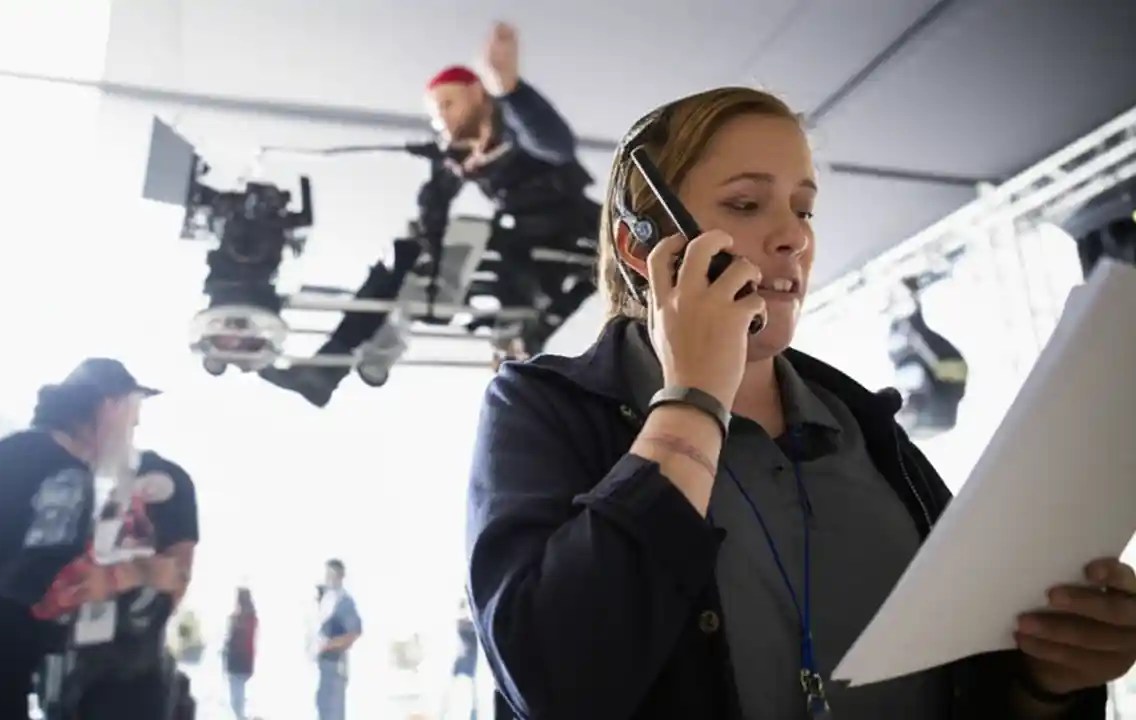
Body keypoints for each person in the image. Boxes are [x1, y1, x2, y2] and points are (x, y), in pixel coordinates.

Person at [466, 87, 1135, 719]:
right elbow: (553, 683)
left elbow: (975, 686)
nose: (795, 237)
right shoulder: (542, 406)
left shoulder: (865, 427)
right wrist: (695, 397)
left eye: (804, 208)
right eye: (747, 205)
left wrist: (1046, 683)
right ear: (639, 242)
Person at [262, 21, 600, 408]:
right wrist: (427, 252)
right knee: (400, 255)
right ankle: (324, 371)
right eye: (436, 113)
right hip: (514, 240)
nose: (441, 119)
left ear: (477, 94)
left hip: (566, 235)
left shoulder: (515, 128)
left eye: (448, 104)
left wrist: (510, 90)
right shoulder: (458, 156)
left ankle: (519, 349)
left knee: (503, 257)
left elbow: (554, 146)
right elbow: (434, 210)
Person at [0, 358, 184, 719]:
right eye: (131, 421)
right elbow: (43, 585)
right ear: (110, 406)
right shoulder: (64, 473)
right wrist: (140, 573)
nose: (131, 435)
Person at [69, 448, 200, 719]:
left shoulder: (167, 480)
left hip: (126, 677)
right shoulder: (76, 478)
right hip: (94, 674)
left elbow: (177, 575)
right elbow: (178, 577)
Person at [311, 559, 362, 720]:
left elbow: (354, 632)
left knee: (332, 713)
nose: (327, 577)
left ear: (340, 576)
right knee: (323, 708)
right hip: (324, 664)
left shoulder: (344, 601)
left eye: (330, 574)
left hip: (335, 664)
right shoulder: (328, 600)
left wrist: (328, 645)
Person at [223, 587, 257, 720]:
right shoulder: (251, 618)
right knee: (239, 695)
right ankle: (242, 716)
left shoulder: (238, 619)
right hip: (246, 660)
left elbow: (232, 640)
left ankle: (242, 717)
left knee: (236, 698)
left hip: (237, 660)